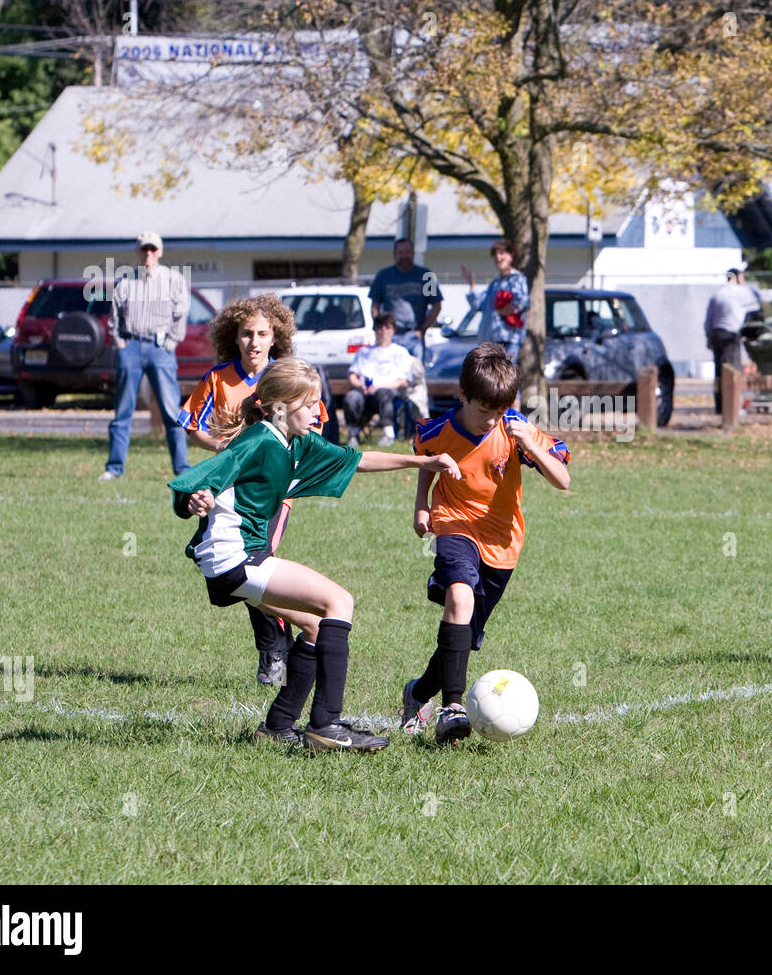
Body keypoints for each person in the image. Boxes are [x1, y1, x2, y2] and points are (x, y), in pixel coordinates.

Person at [170, 357, 461, 751]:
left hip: (239, 559)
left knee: (313, 625)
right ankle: (327, 723)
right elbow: (196, 481)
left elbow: (356, 460)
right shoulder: (257, 440)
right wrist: (194, 500)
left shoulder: (296, 442)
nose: (317, 411)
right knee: (339, 600)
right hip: (232, 558)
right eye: (308, 404)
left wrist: (423, 461)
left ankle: (277, 724)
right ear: (278, 406)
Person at [401, 342, 570, 745]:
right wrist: (422, 506)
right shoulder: (440, 429)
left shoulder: (513, 429)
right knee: (459, 600)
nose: (491, 420)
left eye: (499, 411)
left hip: (504, 544)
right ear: (462, 396)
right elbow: (428, 458)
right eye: (483, 412)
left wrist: (528, 444)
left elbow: (563, 480)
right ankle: (453, 708)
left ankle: (418, 693)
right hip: (455, 524)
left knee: (462, 637)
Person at [178, 294, 328, 687]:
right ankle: (285, 642)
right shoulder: (219, 378)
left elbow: (317, 425)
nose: (254, 342)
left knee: (257, 563)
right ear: (235, 335)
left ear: (276, 336)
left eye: (263, 333)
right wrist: (226, 450)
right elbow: (190, 424)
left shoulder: (288, 377)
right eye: (247, 334)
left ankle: (276, 650)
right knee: (234, 565)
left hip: (275, 492)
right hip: (230, 494)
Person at [101, 231, 191, 480]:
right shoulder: (126, 282)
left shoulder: (174, 279)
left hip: (160, 349)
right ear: (138, 252)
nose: (148, 254)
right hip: (129, 346)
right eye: (144, 249)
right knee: (123, 410)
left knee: (171, 410)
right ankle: (114, 468)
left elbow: (181, 313)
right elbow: (114, 317)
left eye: (153, 249)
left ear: (160, 252)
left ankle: (182, 468)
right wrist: (120, 344)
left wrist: (171, 343)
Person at [343, 312, 416, 448]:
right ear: (375, 330)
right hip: (364, 392)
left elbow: (404, 381)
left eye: (387, 327)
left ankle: (388, 434)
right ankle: (353, 434)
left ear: (393, 330)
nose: (383, 331)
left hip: (390, 392)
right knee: (351, 397)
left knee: (383, 393)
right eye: (379, 327)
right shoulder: (363, 352)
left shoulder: (401, 352)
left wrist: (379, 386)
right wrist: (360, 385)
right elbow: (352, 375)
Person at [369, 238, 444, 364]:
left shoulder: (426, 275)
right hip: (391, 335)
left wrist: (423, 328)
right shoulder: (383, 275)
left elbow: (437, 305)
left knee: (415, 375)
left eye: (407, 252)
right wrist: (380, 328)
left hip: (414, 335)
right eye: (401, 252)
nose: (404, 256)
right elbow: (375, 305)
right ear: (395, 254)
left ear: (413, 254)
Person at [461, 239, 529, 362]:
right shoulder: (495, 283)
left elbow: (522, 303)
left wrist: (503, 312)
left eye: (502, 253)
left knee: (504, 377)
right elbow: (478, 305)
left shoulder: (517, 279)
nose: (498, 257)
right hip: (490, 341)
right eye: (496, 254)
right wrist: (471, 285)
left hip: (508, 339)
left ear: (511, 255)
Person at [704, 267, 759, 414]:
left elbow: (709, 320)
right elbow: (762, 295)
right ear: (737, 277)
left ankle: (720, 406)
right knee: (733, 371)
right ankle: (732, 407)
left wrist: (709, 337)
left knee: (719, 372)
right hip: (730, 336)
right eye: (742, 277)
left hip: (716, 335)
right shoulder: (739, 293)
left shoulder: (717, 295)